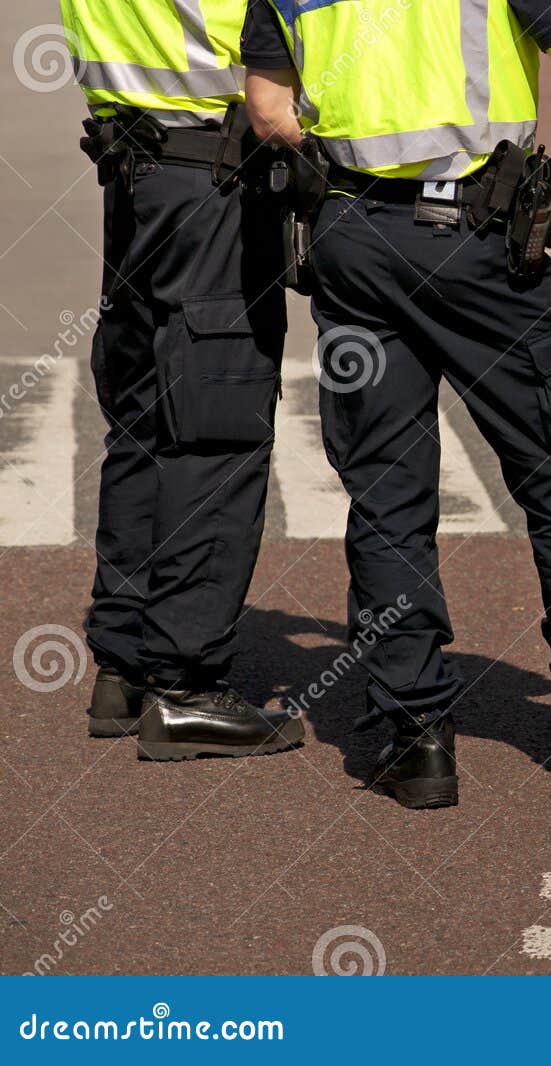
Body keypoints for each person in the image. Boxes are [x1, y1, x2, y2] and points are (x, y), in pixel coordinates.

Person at [241, 0, 551, 809]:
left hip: (351, 241)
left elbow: (268, 106)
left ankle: (414, 741)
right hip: (482, 238)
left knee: (387, 492)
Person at [61, 0, 303, 760]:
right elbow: (272, 31)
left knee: (142, 421)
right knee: (215, 428)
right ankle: (189, 686)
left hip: (132, 168)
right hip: (215, 176)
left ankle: (124, 665)